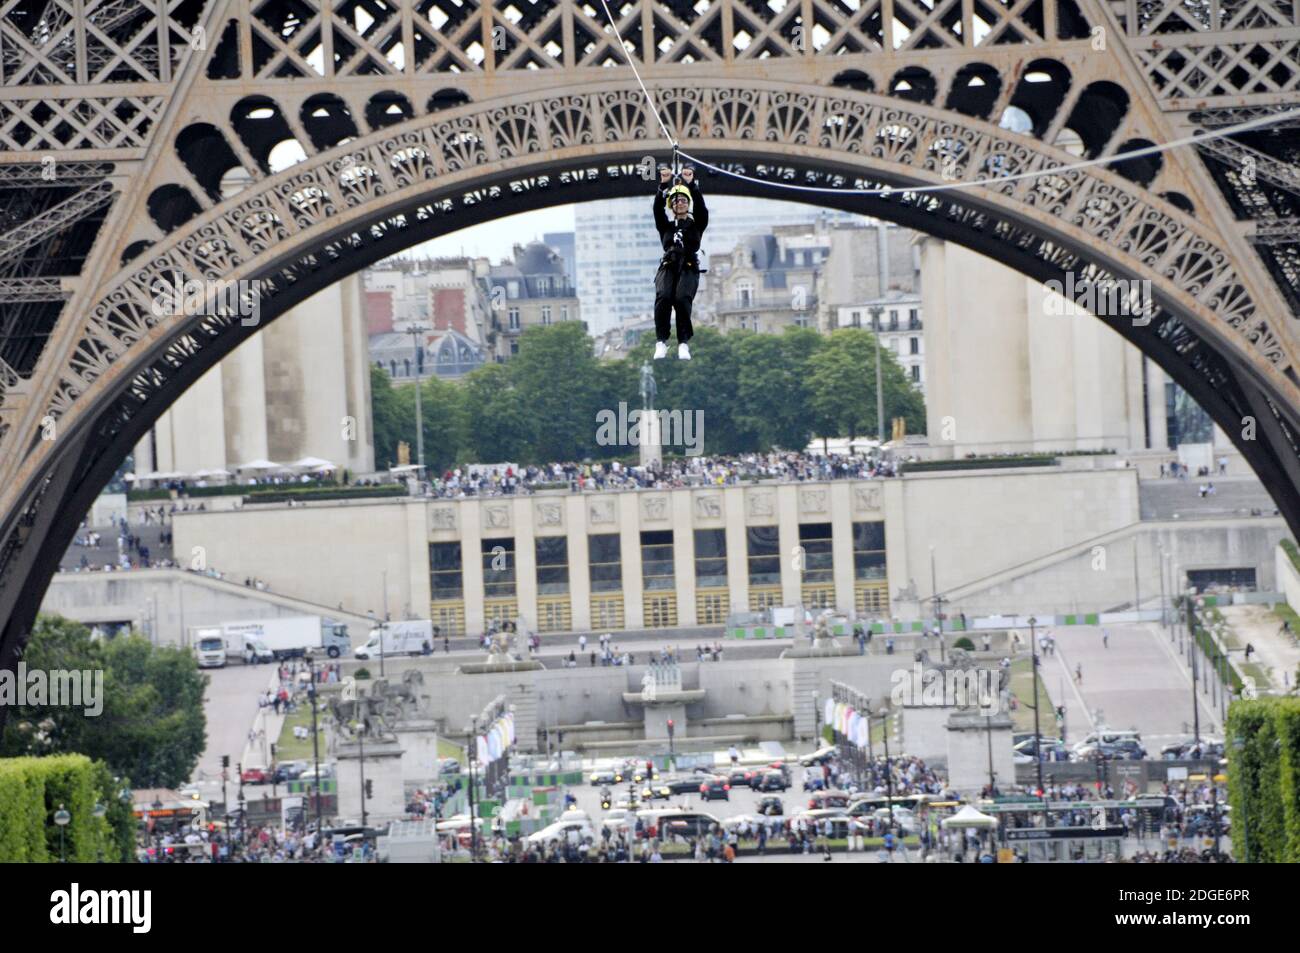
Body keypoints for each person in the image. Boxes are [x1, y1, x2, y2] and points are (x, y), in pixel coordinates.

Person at [651, 162, 708, 360]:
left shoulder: (696, 225)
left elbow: (702, 210)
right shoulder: (666, 227)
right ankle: (661, 341)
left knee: (682, 298)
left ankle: (683, 342)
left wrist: (691, 184)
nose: (680, 203)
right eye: (676, 201)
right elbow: (657, 210)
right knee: (664, 297)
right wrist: (663, 185)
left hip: (689, 266)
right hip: (668, 265)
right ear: (672, 205)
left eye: (684, 200)